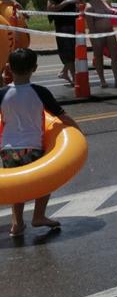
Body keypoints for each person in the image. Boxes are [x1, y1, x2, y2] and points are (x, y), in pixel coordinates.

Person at [2, 48, 76, 236]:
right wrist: (78, 131)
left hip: (8, 148)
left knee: (17, 186)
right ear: (35, 68)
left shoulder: (2, 94)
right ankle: (38, 216)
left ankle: (17, 224)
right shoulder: (40, 92)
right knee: (44, 181)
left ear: (8, 68)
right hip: (32, 146)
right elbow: (62, 116)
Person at [83, 0, 117, 89]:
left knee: (114, 55)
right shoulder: (89, 7)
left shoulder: (106, 1)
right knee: (98, 57)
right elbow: (90, 26)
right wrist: (94, 37)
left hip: (109, 31)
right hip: (97, 34)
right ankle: (102, 80)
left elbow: (114, 16)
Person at [46, 0, 82, 85]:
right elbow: (50, 8)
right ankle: (75, 79)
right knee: (69, 52)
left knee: (75, 51)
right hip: (63, 25)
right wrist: (66, 2)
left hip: (75, 24)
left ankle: (64, 72)